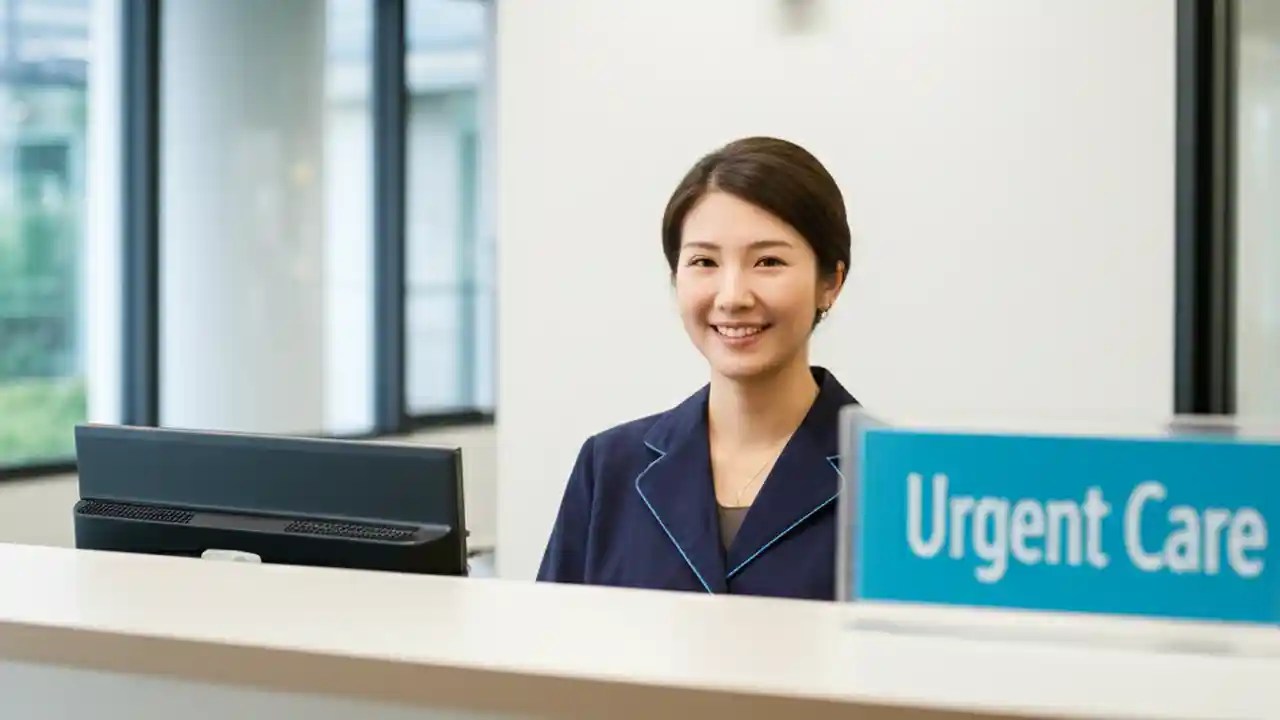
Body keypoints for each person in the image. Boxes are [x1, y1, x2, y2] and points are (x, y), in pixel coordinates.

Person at [537, 136, 858, 600]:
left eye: (768, 261)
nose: (732, 296)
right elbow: (549, 657)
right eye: (704, 261)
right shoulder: (608, 468)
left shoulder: (894, 482)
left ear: (830, 282)